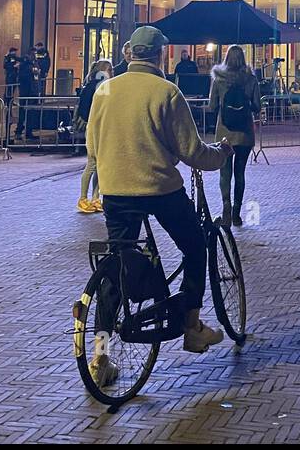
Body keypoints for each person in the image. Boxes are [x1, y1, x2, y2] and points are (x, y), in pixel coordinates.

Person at [80, 25, 234, 385]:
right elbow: (192, 151)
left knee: (117, 267)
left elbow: (91, 148)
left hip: (116, 192)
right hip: (159, 189)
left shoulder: (104, 90)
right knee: (195, 246)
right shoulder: (167, 92)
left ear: (130, 53)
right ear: (162, 55)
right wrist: (222, 154)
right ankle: (193, 327)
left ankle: (100, 358)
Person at [208, 45, 261, 227]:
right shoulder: (251, 79)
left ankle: (226, 207)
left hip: (225, 133)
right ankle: (238, 214)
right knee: (240, 173)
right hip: (245, 133)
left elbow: (212, 105)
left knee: (225, 172)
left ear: (226, 58)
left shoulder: (218, 79)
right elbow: (257, 106)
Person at [76, 59, 113, 213]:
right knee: (92, 164)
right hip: (95, 128)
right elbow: (87, 108)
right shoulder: (96, 87)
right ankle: (83, 198)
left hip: (101, 127)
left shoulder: (99, 86)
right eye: (110, 69)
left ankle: (95, 197)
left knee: (99, 165)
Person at [15, 47, 41, 141]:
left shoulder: (36, 63)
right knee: (23, 112)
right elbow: (23, 77)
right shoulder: (25, 65)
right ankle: (19, 132)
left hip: (33, 91)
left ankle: (29, 132)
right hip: (26, 92)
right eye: (34, 54)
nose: (35, 55)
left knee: (31, 113)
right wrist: (31, 72)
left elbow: (37, 77)